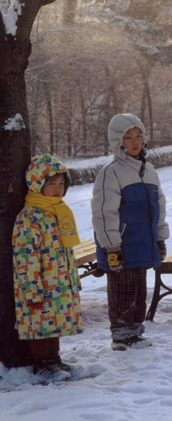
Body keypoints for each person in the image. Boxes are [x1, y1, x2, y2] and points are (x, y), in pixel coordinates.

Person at [92, 113, 169, 351]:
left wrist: (159, 237)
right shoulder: (111, 172)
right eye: (128, 137)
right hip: (121, 245)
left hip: (143, 243)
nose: (135, 141)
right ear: (118, 141)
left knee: (138, 289)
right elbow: (105, 212)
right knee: (122, 290)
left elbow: (159, 207)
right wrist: (111, 245)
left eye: (138, 136)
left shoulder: (149, 171)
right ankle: (121, 334)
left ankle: (135, 330)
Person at [12, 154, 82, 383]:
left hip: (59, 283)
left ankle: (55, 359)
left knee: (55, 324)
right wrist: (31, 290)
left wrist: (73, 280)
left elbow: (67, 252)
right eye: (51, 183)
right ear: (37, 183)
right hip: (40, 285)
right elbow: (25, 257)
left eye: (62, 183)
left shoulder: (58, 211)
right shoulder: (30, 217)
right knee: (40, 326)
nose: (58, 189)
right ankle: (42, 363)